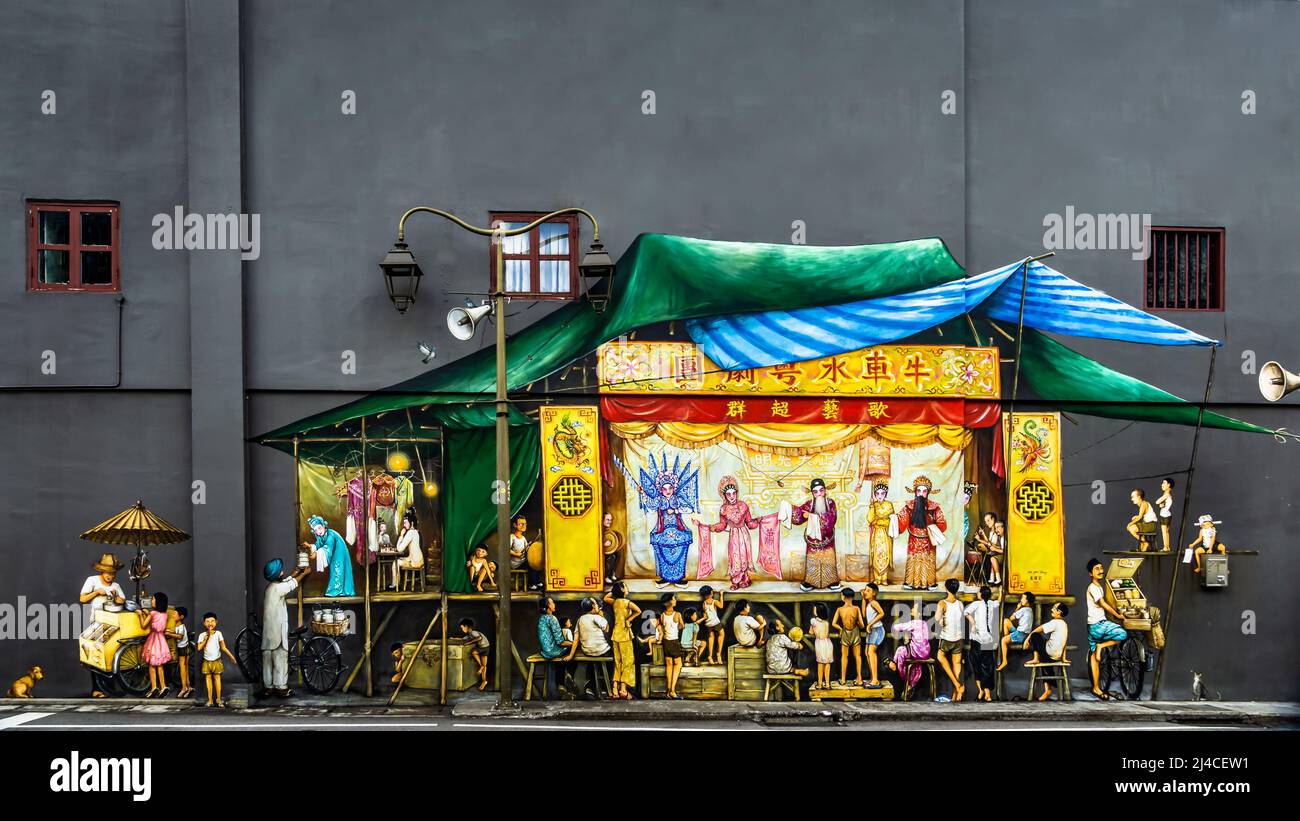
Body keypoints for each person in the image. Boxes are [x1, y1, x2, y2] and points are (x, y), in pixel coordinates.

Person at [695, 475, 761, 589]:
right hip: (733, 536)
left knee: (744, 556)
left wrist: (758, 522)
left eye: (733, 493)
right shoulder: (724, 509)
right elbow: (722, 525)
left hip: (744, 535)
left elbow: (749, 523)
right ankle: (735, 580)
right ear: (724, 495)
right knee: (735, 556)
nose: (731, 496)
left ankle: (745, 579)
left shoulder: (743, 505)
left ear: (737, 492)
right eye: (728, 494)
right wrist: (709, 527)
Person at [260, 557, 311, 699]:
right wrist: (304, 573)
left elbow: (285, 583)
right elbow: (291, 585)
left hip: (268, 633)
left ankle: (268, 687)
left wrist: (293, 573)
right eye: (281, 571)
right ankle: (281, 688)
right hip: (278, 632)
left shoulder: (271, 588)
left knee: (268, 662)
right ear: (278, 574)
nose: (283, 571)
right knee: (281, 659)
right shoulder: (278, 589)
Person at [79, 553, 126, 697]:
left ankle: (109, 689)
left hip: (112, 623)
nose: (110, 576)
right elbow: (82, 598)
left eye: (112, 573)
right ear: (101, 571)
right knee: (95, 656)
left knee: (110, 654)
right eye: (107, 573)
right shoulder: (92, 580)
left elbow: (122, 601)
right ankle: (97, 690)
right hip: (96, 622)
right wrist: (96, 592)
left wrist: (116, 596)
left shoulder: (116, 585)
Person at [895, 475, 948, 589]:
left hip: (928, 540)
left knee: (928, 560)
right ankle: (910, 582)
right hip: (913, 539)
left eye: (924, 491)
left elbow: (942, 524)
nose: (921, 494)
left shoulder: (934, 507)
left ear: (928, 492)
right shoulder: (909, 506)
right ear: (915, 492)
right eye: (919, 491)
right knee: (913, 560)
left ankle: (929, 583)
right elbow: (901, 521)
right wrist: (894, 519)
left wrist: (931, 523)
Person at [1085, 558, 1128, 700]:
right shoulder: (1093, 588)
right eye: (1096, 568)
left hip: (1091, 626)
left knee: (1094, 658)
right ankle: (1101, 646)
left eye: (1101, 567)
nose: (1100, 570)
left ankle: (1096, 688)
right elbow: (1102, 603)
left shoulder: (1098, 587)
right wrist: (1117, 615)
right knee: (1122, 633)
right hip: (1099, 625)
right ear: (1090, 573)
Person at [790, 478, 841, 591]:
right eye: (815, 491)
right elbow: (798, 515)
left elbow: (831, 519)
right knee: (813, 561)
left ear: (825, 490)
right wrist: (789, 509)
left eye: (821, 490)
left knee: (828, 559)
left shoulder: (830, 503)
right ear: (812, 493)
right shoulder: (809, 504)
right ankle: (811, 582)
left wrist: (812, 517)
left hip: (827, 539)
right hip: (813, 540)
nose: (819, 494)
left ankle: (832, 581)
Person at [603, 581, 641, 700]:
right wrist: (629, 619)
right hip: (624, 635)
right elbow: (638, 611)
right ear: (623, 590)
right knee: (627, 662)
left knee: (618, 662)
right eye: (625, 586)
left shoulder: (614, 602)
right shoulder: (627, 602)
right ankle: (623, 690)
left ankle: (615, 688)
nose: (627, 588)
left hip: (615, 634)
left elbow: (605, 597)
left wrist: (615, 591)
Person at [1024, 603, 1070, 700]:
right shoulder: (1065, 624)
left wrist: (1027, 639)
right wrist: (1063, 658)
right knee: (1045, 655)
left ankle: (1036, 659)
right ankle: (1048, 689)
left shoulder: (1055, 622)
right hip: (1058, 654)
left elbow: (1038, 629)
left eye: (1054, 608)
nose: (1051, 609)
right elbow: (1064, 642)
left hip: (1050, 652)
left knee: (1035, 635)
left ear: (1059, 612)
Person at [304, 514, 355, 597]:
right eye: (315, 530)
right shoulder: (321, 535)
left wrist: (316, 554)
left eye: (319, 528)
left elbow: (327, 546)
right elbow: (318, 544)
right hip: (334, 551)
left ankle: (336, 590)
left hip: (339, 551)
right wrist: (310, 546)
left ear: (323, 525)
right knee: (335, 568)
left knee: (337, 567)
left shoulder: (330, 534)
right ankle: (342, 590)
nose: (318, 531)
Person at [887, 601, 932, 694]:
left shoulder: (914, 623)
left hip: (916, 651)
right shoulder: (925, 624)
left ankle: (895, 665)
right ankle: (912, 684)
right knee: (916, 665)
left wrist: (898, 626)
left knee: (900, 650)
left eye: (914, 608)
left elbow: (897, 627)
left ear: (918, 613)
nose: (911, 609)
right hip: (925, 653)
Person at [195, 611, 238, 708]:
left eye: (212, 621)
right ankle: (210, 700)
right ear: (204, 623)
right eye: (207, 621)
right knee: (208, 679)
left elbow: (223, 647)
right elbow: (199, 648)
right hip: (207, 661)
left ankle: (218, 699)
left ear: (216, 622)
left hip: (216, 660)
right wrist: (206, 638)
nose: (210, 623)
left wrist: (231, 657)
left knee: (217, 679)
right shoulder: (202, 635)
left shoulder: (218, 633)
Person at [136, 591, 174, 699]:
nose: (151, 601)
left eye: (153, 599)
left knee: (152, 665)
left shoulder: (153, 614)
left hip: (153, 640)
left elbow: (144, 625)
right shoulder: (165, 614)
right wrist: (148, 614)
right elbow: (158, 622)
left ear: (158, 602)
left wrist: (140, 615)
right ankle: (163, 687)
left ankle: (154, 687)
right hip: (161, 640)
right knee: (160, 665)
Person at [964, 585, 998, 701]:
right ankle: (984, 692)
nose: (977, 593)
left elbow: (965, 612)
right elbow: (1000, 599)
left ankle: (983, 691)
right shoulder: (993, 603)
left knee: (978, 666)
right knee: (986, 667)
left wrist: (973, 622)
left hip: (979, 639)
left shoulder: (977, 604)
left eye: (978, 592)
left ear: (981, 594)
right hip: (986, 639)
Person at [934, 578, 965, 702]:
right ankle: (955, 695)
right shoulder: (960, 604)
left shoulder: (942, 603)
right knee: (956, 664)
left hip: (947, 638)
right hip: (959, 638)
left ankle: (957, 685)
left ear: (946, 588)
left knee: (940, 656)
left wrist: (941, 621)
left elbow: (937, 618)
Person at [536, 596, 572, 699]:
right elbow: (560, 642)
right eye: (552, 603)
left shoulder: (541, 619)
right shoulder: (552, 618)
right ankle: (567, 676)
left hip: (545, 651)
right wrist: (574, 644)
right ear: (548, 606)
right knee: (572, 651)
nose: (554, 604)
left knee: (560, 659)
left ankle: (561, 683)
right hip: (553, 651)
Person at [832, 587, 864, 686]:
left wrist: (840, 629)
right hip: (855, 632)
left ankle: (843, 679)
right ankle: (859, 679)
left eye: (841, 595)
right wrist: (856, 621)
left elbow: (834, 623)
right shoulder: (856, 609)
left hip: (845, 632)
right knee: (857, 656)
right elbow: (862, 625)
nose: (841, 597)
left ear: (844, 597)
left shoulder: (840, 609)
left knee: (844, 657)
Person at [996, 592, 1035, 671]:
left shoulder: (1023, 610)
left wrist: (1018, 608)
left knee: (1003, 640)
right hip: (1022, 633)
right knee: (1006, 621)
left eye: (1023, 598)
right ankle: (1008, 639)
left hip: (1020, 634)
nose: (1021, 600)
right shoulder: (1030, 610)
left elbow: (1012, 618)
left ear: (1027, 600)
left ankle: (1004, 661)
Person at [866, 481, 895, 585]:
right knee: (876, 554)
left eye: (882, 493)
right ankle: (877, 578)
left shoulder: (889, 505)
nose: (879, 496)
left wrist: (878, 520)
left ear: (885, 494)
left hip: (886, 534)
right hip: (876, 533)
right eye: (877, 493)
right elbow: (869, 519)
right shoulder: (874, 505)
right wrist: (871, 507)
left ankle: (884, 578)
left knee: (885, 554)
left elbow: (888, 518)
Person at [658, 593, 686, 699]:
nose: (675, 600)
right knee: (678, 664)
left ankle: (668, 691)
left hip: (666, 642)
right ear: (670, 602)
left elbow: (662, 627)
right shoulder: (677, 614)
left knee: (669, 665)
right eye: (674, 599)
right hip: (674, 641)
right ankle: (673, 691)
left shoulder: (662, 615)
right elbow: (681, 626)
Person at [860, 583, 886, 688]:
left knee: (871, 652)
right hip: (871, 630)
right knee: (867, 653)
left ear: (874, 593)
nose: (865, 592)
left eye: (868, 590)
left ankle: (875, 679)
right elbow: (863, 615)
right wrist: (863, 599)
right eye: (865, 590)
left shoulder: (874, 603)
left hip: (877, 630)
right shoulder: (868, 603)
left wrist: (870, 624)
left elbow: (882, 613)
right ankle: (873, 678)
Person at [459, 618, 491, 691]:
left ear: (466, 626)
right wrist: (454, 638)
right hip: (486, 647)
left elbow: (479, 638)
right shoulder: (469, 635)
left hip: (484, 648)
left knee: (474, 652)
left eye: (462, 627)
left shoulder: (473, 633)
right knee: (484, 666)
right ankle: (484, 681)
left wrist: (468, 643)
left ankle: (481, 666)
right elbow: (462, 639)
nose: (462, 629)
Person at [394, 512, 423, 590]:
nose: (404, 525)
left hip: (415, 562)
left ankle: (395, 584)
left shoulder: (410, 532)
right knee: (400, 560)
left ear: (411, 523)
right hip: (419, 560)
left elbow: (399, 549)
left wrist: (401, 535)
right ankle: (397, 583)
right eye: (403, 523)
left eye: (405, 522)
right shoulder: (416, 532)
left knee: (396, 562)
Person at [809, 602, 833, 691]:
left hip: (820, 643)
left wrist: (813, 628)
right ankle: (827, 684)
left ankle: (819, 684)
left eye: (815, 609)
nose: (813, 611)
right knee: (827, 664)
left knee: (820, 664)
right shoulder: (826, 622)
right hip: (828, 643)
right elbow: (826, 633)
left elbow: (811, 632)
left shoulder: (813, 621)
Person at [700, 586, 725, 665]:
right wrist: (721, 595)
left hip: (708, 623)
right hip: (715, 622)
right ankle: (718, 654)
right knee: (721, 634)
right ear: (711, 593)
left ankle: (710, 656)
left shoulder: (704, 603)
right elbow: (721, 606)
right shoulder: (714, 601)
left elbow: (705, 613)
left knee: (711, 637)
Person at [173, 606, 193, 699]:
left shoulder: (181, 626)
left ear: (181, 617)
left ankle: (184, 688)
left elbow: (180, 636)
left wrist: (169, 634)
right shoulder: (177, 625)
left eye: (175, 614)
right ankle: (187, 687)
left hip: (183, 648)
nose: (173, 615)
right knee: (184, 668)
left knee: (183, 668)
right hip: (182, 648)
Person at [1156, 478, 1175, 552]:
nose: (1162, 485)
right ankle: (1167, 547)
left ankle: (1165, 547)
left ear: (1169, 485)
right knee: (1166, 532)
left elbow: (1157, 502)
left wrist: (1160, 503)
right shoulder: (1167, 495)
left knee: (1164, 532)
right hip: (1167, 514)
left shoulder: (1166, 494)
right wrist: (1162, 505)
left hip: (1164, 515)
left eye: (1164, 483)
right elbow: (1161, 504)